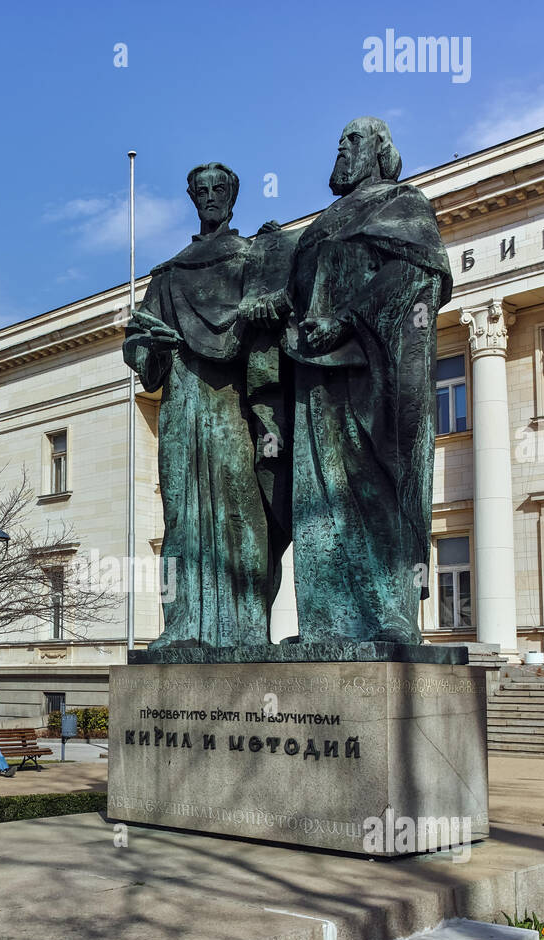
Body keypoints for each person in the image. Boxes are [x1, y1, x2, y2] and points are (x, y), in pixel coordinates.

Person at [246, 117, 452, 644]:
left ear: (381, 151)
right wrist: (273, 303)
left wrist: (345, 318)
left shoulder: (402, 203)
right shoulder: (322, 225)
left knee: (372, 486)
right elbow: (300, 293)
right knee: (320, 494)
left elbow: (416, 275)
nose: (341, 147)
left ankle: (389, 618)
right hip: (314, 374)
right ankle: (327, 626)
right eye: (339, 140)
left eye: (353, 140)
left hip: (369, 371)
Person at [122, 162, 294, 651]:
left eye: (220, 189)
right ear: (192, 198)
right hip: (181, 407)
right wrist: (148, 347)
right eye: (202, 190)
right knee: (181, 519)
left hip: (233, 409)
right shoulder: (169, 274)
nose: (211, 197)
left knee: (243, 518)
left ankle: (244, 632)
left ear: (234, 195)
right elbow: (139, 347)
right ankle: (181, 626)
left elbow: (274, 330)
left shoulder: (250, 260)